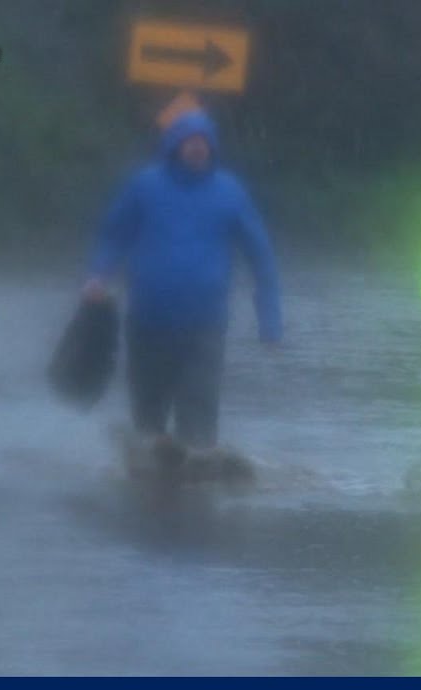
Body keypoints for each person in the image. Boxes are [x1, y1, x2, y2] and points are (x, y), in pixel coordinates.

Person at [83, 108, 282, 462]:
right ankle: (147, 485)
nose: (196, 148)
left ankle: (197, 484)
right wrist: (98, 277)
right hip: (147, 320)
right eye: (189, 141)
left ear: (213, 147)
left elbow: (261, 256)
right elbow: (114, 236)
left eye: (203, 142)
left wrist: (270, 321)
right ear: (174, 145)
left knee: (199, 417)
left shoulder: (229, 192)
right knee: (148, 414)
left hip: (204, 325)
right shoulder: (145, 186)